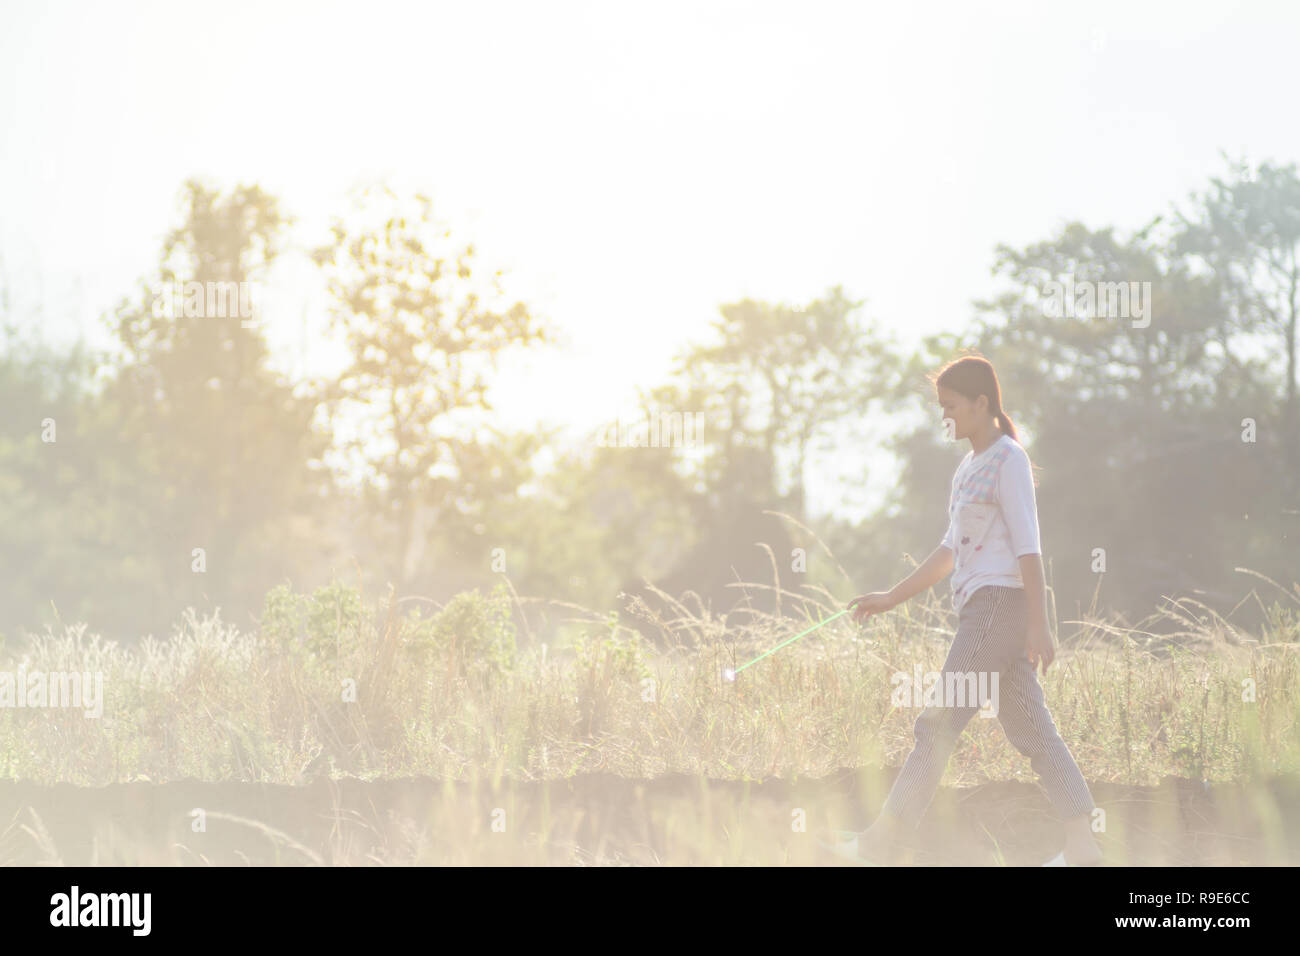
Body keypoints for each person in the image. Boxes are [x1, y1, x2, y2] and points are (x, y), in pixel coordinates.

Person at [840, 354, 1101, 866]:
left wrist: (1038, 622)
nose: (946, 417)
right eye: (942, 407)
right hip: (984, 611)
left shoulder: (1009, 460)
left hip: (998, 609)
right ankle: (1084, 849)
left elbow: (1029, 545)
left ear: (983, 404)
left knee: (936, 725)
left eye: (952, 406)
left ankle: (879, 846)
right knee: (1034, 732)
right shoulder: (966, 469)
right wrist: (890, 597)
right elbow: (948, 552)